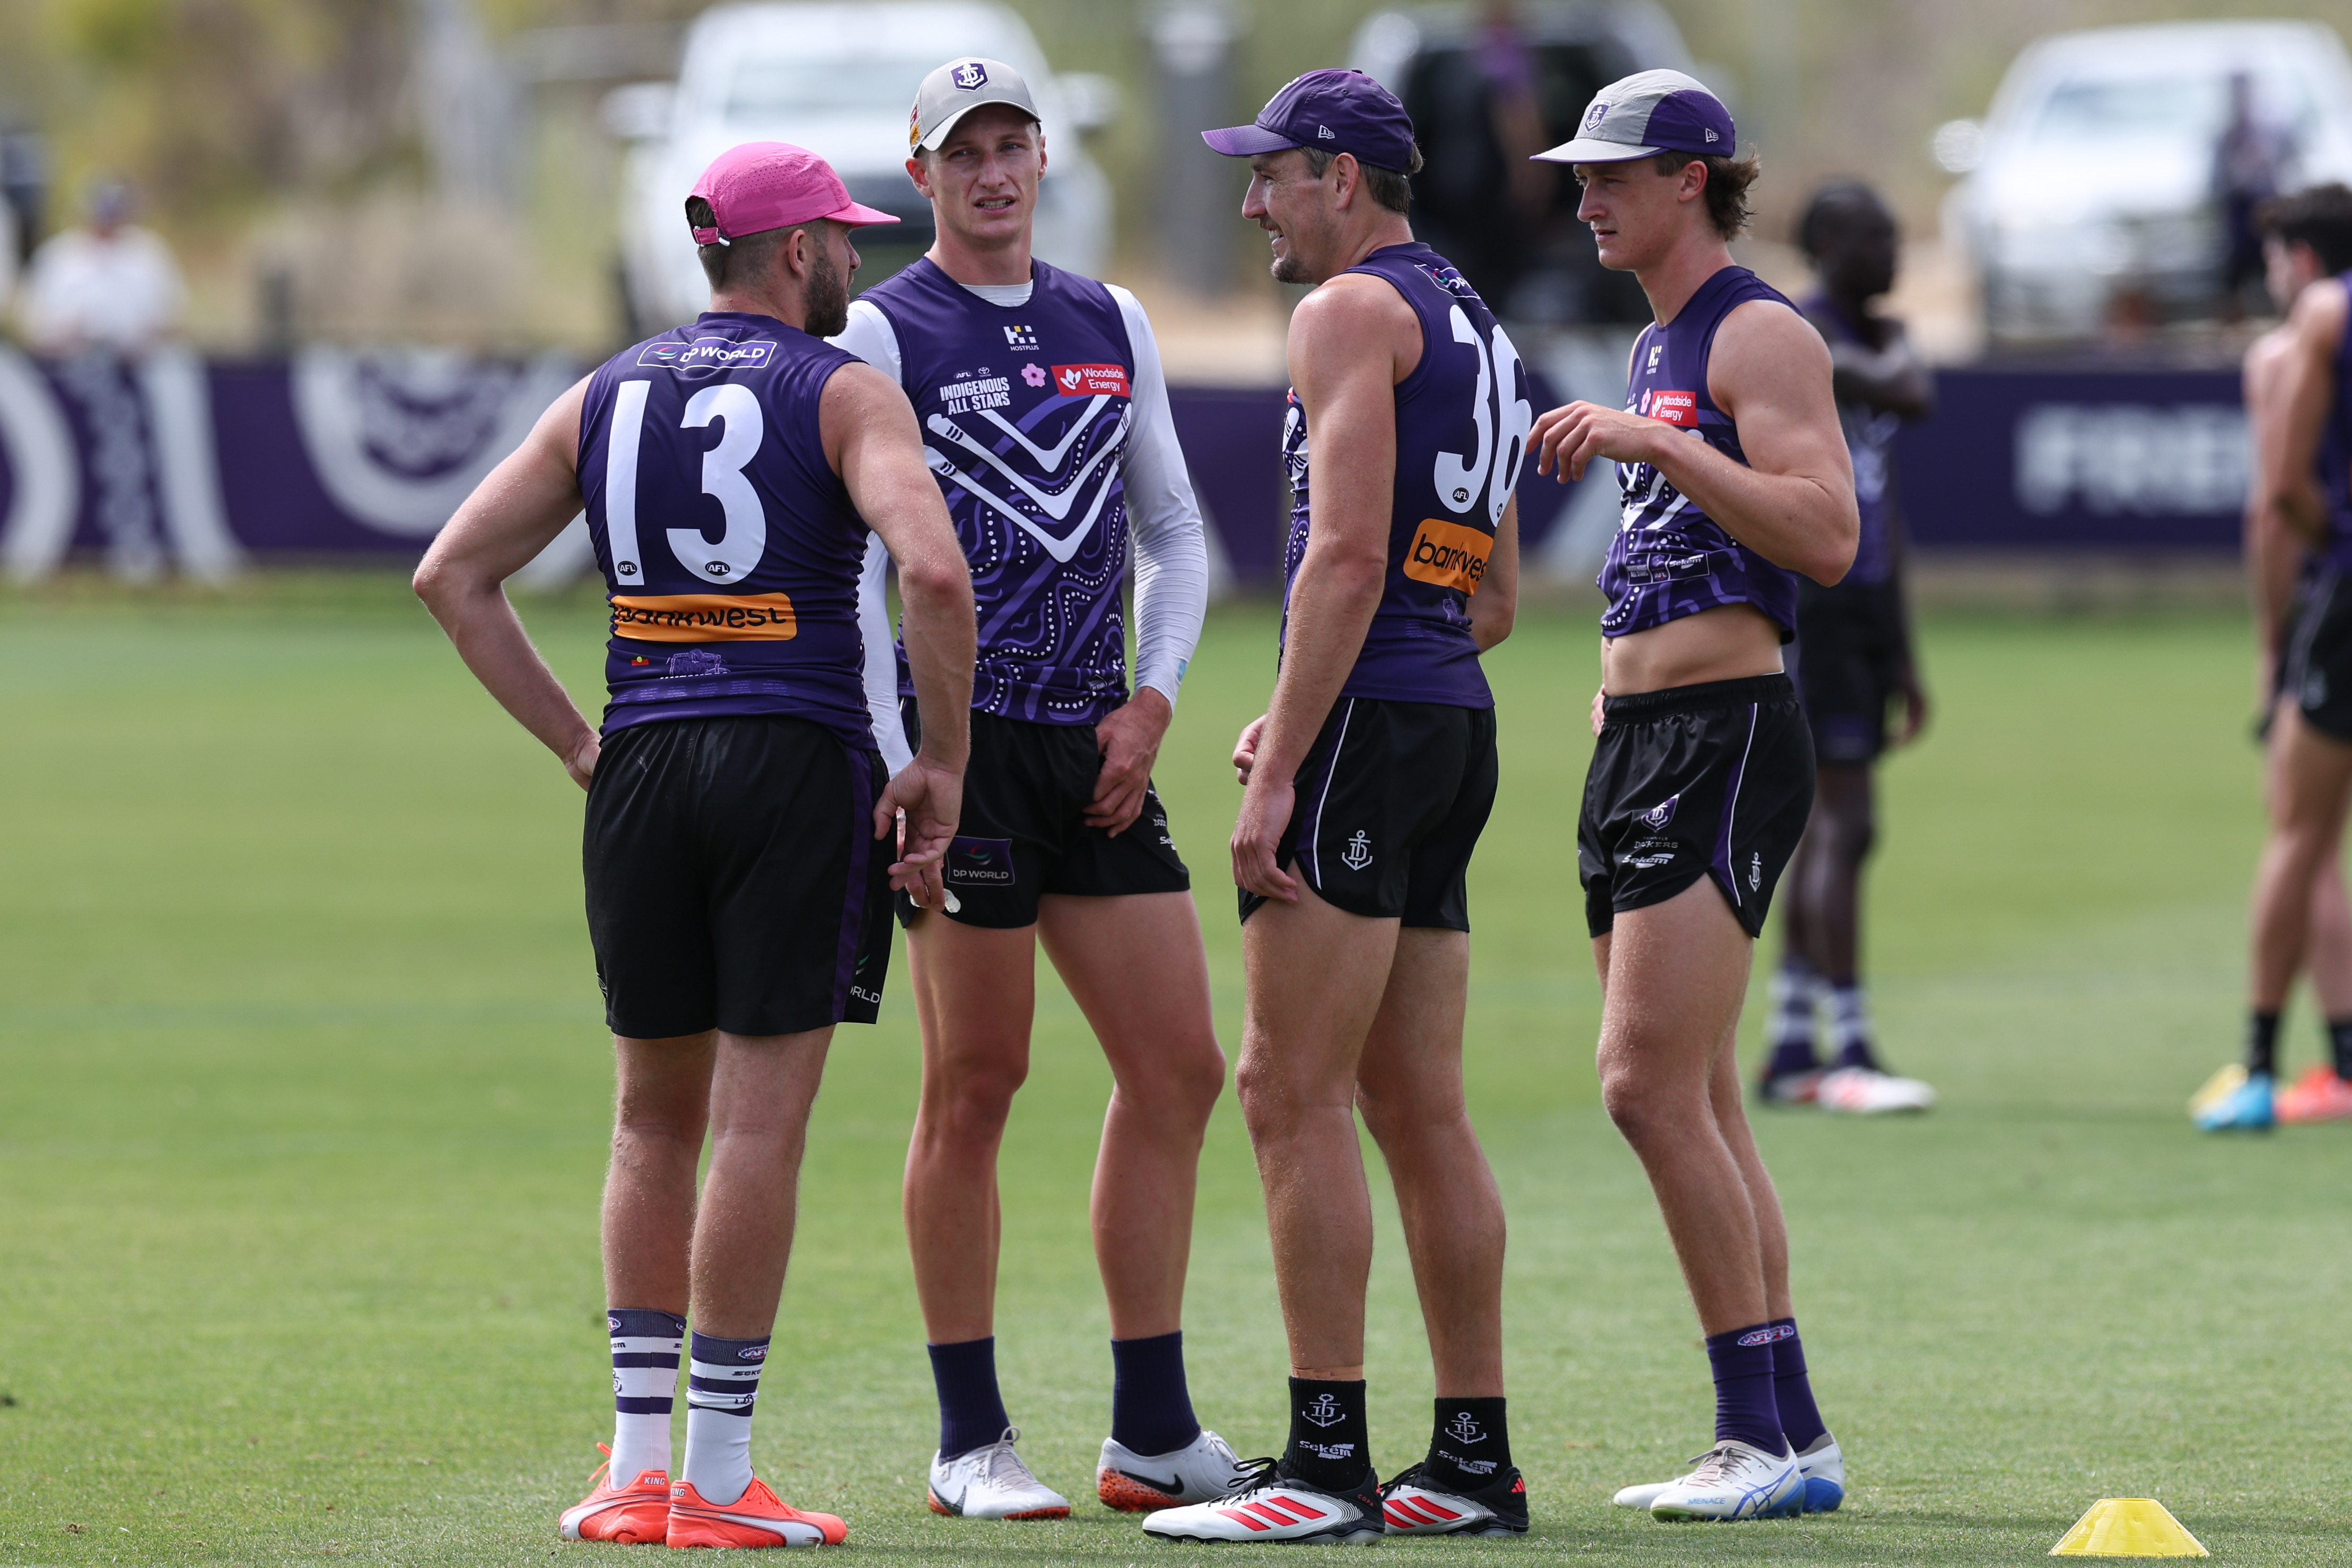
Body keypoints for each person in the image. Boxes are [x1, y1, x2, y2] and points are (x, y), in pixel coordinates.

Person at [412, 141, 977, 1548]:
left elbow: (452, 574)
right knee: (757, 1121)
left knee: (649, 1118)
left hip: (645, 765)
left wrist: (579, 745)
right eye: (841, 236)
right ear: (794, 252)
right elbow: (933, 567)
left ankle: (635, 1467)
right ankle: (719, 1478)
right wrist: (944, 764)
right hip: (793, 761)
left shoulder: (603, 392)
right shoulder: (844, 389)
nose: (854, 256)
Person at [827, 58, 1235, 1521]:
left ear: (1044, 157)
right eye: (964, 153)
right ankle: (969, 1438)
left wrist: (1154, 699)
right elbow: (862, 572)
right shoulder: (882, 328)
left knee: (1179, 1069)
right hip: (968, 755)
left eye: (1011, 144)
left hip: (1096, 747)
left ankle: (1153, 1430)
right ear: (922, 176)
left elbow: (1172, 528)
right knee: (975, 1083)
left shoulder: (1109, 316)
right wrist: (905, 760)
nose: (992, 172)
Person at [1142, 68, 1528, 1545]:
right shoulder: (1473, 319)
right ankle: (1472, 1460)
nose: (1253, 204)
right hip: (1446, 718)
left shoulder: (1347, 312)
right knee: (1417, 1104)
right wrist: (1333, 704)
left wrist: (1292, 752)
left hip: (1371, 722)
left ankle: (1322, 1464)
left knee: (1284, 1088)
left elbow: (1347, 555)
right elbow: (1489, 597)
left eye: (1271, 176)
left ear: (1342, 179)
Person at [1527, 71, 1858, 1521]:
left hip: (1723, 737)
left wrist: (1661, 441)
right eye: (1579, 176)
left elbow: (1827, 534)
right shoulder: (1660, 334)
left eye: (1610, 175)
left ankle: (1751, 1435)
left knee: (1642, 1084)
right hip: (1641, 738)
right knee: (1700, 1090)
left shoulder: (1756, 329)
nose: (1585, 198)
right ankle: (1792, 1433)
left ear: (1689, 179)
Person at [1753, 180, 1937, 1117]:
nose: (1891, 253)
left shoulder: (1865, 335)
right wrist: (1897, 343)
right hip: (1818, 605)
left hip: (1862, 605)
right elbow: (1912, 390)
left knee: (1828, 826)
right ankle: (1848, 1041)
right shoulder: (1807, 334)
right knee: (1845, 823)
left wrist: (1903, 651)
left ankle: (1794, 1039)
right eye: (1872, 237)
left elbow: (1883, 505)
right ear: (1824, 245)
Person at [2194, 181, 2352, 1131]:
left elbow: (2278, 501)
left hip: (2338, 606)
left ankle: (2258, 1066)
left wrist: (2271, 645)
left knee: (2299, 829)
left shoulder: (2301, 338)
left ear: (2297, 259)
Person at [18, 179, 183, 355]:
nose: (108, 222)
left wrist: (147, 335)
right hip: (66, 360)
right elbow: (31, 322)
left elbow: (174, 319)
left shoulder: (148, 253)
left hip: (137, 359)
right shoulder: (58, 254)